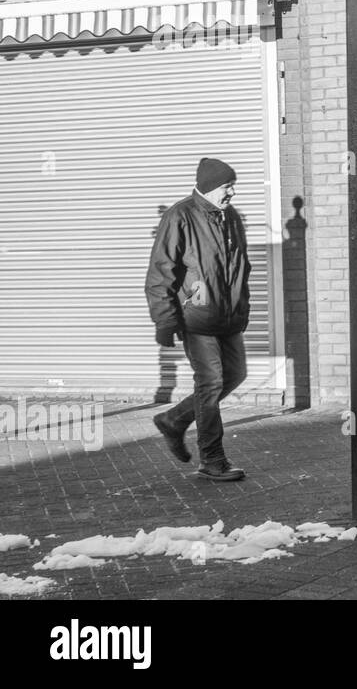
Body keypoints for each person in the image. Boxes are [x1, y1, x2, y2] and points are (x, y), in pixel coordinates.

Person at [145, 157, 251, 481]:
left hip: (228, 316)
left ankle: (175, 420)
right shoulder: (180, 216)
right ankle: (213, 459)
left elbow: (240, 267)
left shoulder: (229, 217)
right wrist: (165, 320)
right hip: (197, 316)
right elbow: (160, 273)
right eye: (227, 186)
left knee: (235, 373)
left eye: (233, 185)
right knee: (211, 382)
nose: (232, 192)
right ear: (208, 188)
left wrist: (242, 304)